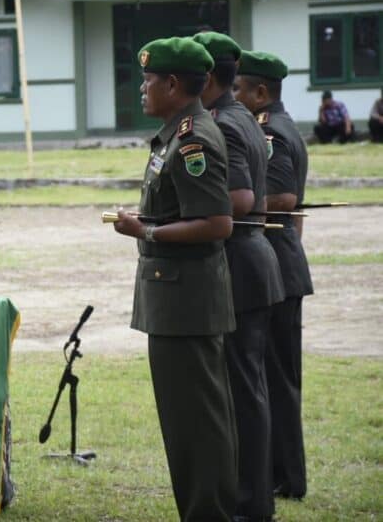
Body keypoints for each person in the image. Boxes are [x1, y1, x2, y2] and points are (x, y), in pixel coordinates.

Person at [113, 37, 238, 521]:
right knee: (189, 419)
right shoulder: (177, 132)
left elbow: (217, 222)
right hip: (176, 299)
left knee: (197, 422)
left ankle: (209, 512)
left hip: (187, 302)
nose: (141, 90)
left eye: (147, 82)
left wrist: (143, 230)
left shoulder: (192, 139)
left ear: (171, 84)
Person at [193, 32, 286, 522]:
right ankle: (254, 499)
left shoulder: (225, 125)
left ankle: (251, 504)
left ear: (205, 76)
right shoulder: (241, 117)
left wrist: (175, 218)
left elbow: (240, 200)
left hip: (241, 267)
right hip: (254, 263)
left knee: (242, 393)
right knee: (248, 390)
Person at [234, 51, 313, 501]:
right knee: (278, 377)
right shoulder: (281, 127)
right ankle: (284, 475)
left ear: (260, 93)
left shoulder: (269, 133)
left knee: (278, 380)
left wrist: (243, 204)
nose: (235, 96)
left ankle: (286, 478)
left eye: (240, 89)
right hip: (286, 263)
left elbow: (284, 195)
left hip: (279, 269)